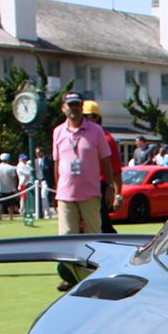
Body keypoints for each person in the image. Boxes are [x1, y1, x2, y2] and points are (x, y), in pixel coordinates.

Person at [51, 92, 119, 284]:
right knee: (66, 237)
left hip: (90, 192)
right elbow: (57, 163)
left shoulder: (96, 131)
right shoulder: (57, 132)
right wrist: (57, 189)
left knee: (94, 235)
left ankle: (96, 274)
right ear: (63, 108)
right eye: (69, 105)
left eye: (76, 105)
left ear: (81, 107)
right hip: (65, 193)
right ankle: (69, 275)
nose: (73, 109)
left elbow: (106, 161)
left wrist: (109, 186)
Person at [82, 100, 121, 235]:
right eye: (84, 117)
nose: (86, 120)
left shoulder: (107, 139)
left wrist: (117, 195)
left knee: (102, 225)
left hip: (101, 186)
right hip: (84, 186)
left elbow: (116, 170)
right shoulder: (79, 136)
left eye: (89, 116)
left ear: (97, 118)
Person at [0, 151, 19, 219]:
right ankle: (11, 216)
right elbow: (14, 179)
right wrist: (15, 187)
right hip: (10, 188)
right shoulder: (11, 168)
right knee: (10, 204)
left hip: (0, 188)